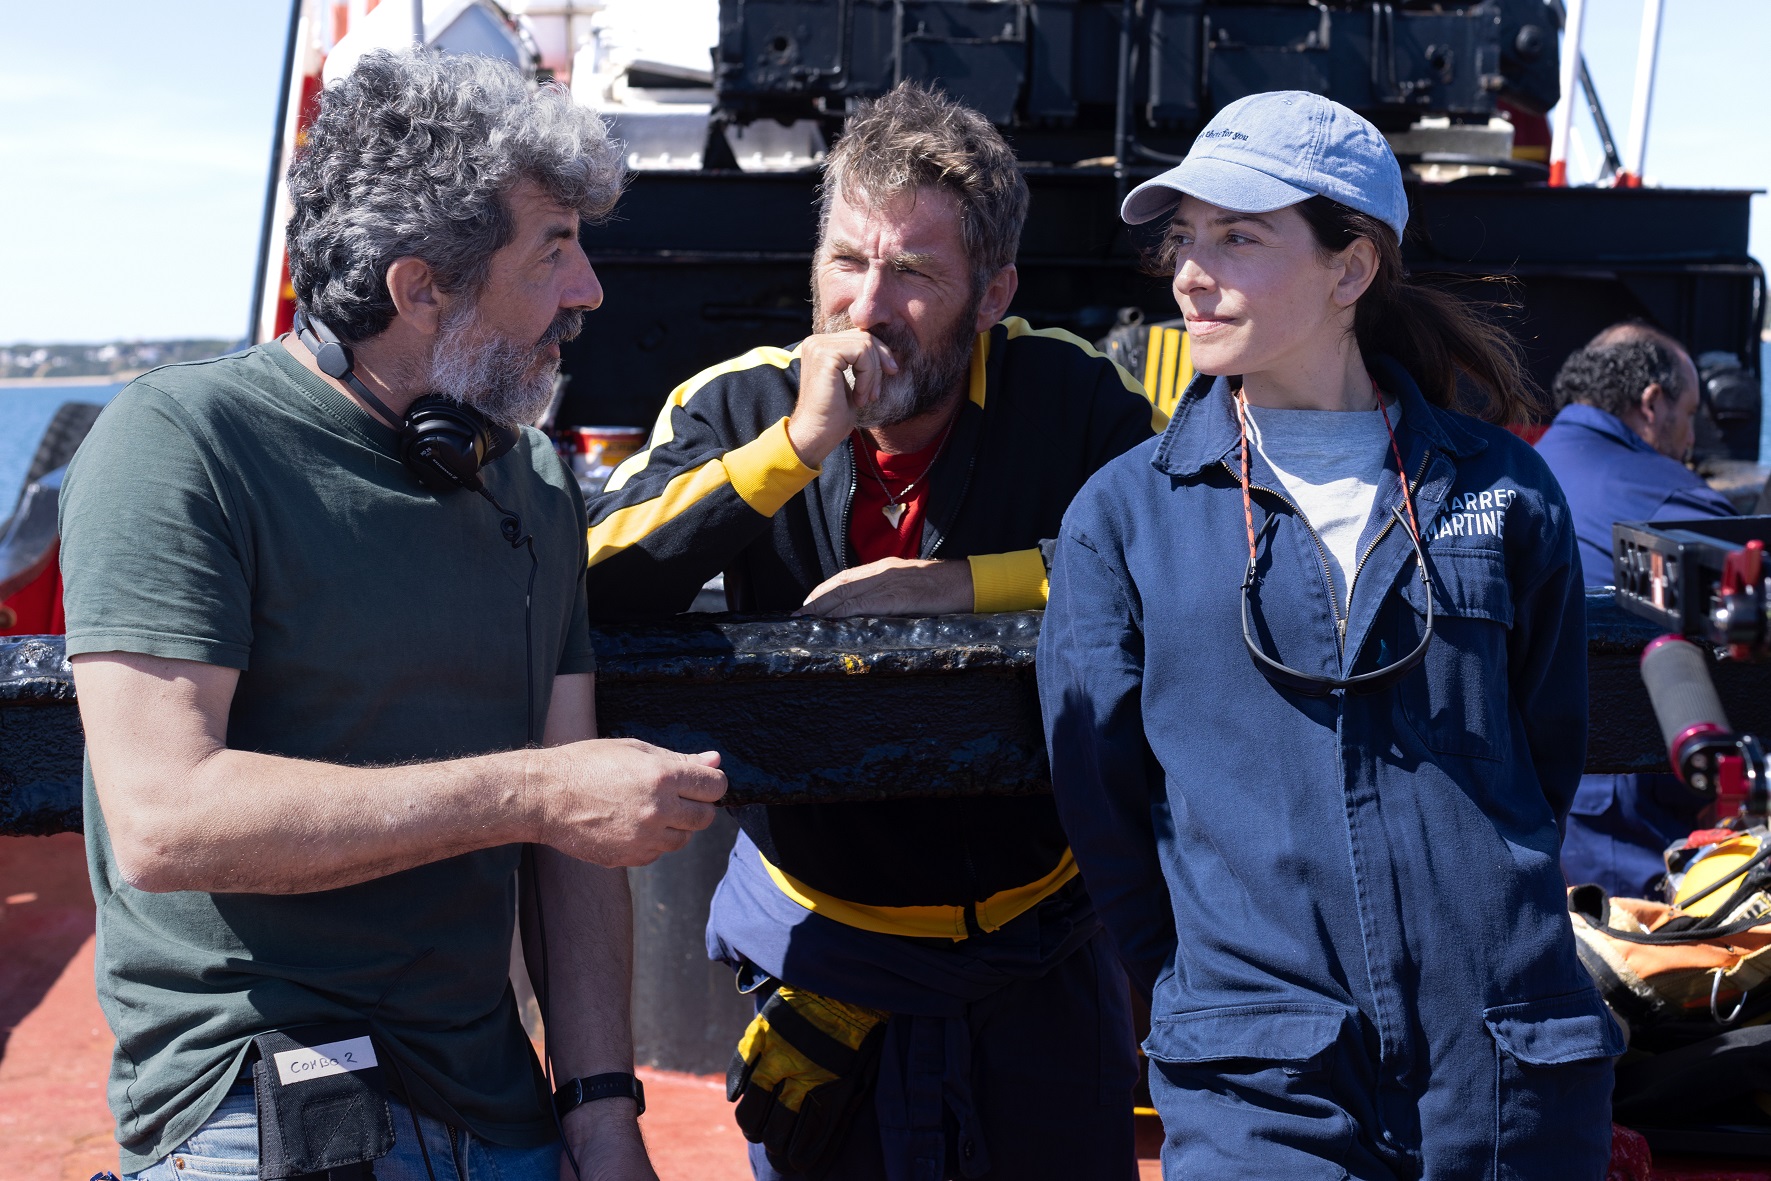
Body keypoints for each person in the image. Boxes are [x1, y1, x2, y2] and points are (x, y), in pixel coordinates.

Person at [59, 50, 727, 1181]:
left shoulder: (531, 483)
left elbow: (574, 846)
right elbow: (165, 817)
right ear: (420, 287)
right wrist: (531, 790)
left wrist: (604, 1110)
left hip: (500, 1104)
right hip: (253, 1101)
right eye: (554, 251)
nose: (591, 292)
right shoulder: (178, 445)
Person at [1039, 91, 1623, 1180]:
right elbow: (1105, 805)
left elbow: (1540, 763)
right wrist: (1214, 987)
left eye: (1238, 236)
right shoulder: (1124, 518)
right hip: (1261, 1086)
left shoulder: (1503, 489)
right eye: (1183, 239)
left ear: (1350, 268)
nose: (1189, 273)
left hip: (1504, 1071)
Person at [584, 83, 1159, 1180]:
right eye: (847, 261)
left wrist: (960, 586)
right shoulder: (738, 406)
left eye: (912, 274)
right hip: (820, 959)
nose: (864, 307)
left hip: (1039, 957)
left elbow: (1168, 564)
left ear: (993, 294)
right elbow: (593, 576)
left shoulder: (1072, 397)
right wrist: (792, 449)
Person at [1536, 323, 1736, 898]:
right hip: (1630, 820)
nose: (1691, 438)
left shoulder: (1523, 469)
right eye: (1690, 413)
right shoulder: (1671, 497)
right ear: (1652, 404)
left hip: (1544, 798)